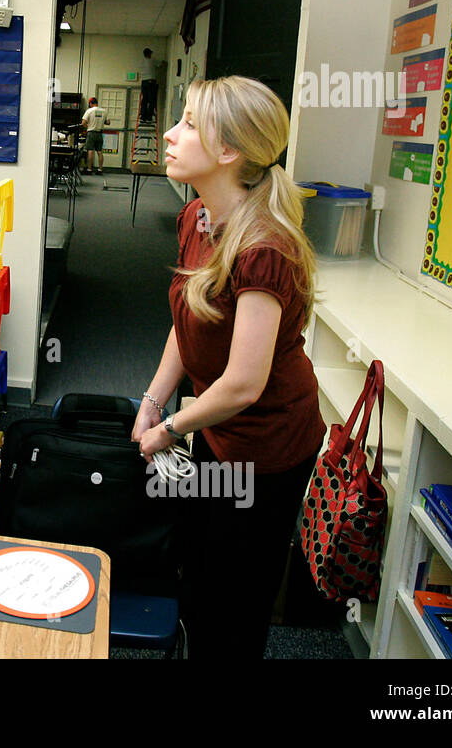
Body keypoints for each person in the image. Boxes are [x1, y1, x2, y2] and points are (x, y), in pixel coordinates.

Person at [131, 75, 324, 658]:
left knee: (236, 598)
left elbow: (241, 384)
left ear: (228, 152)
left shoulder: (262, 248)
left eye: (189, 122)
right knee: (200, 565)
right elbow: (189, 321)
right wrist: (151, 401)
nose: (169, 133)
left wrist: (166, 430)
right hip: (215, 429)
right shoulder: (198, 218)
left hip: (267, 449)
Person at [81, 97, 106, 174]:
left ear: (90, 103)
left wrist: (89, 126)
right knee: (99, 151)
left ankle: (89, 169)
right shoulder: (104, 111)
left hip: (91, 133)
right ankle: (100, 169)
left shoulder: (89, 111)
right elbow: (108, 122)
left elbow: (83, 123)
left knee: (90, 151)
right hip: (99, 133)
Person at [139, 47, 158, 123]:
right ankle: (149, 117)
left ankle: (143, 116)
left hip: (144, 82)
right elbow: (160, 64)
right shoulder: (152, 60)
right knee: (151, 100)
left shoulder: (142, 62)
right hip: (151, 82)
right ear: (149, 54)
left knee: (144, 100)